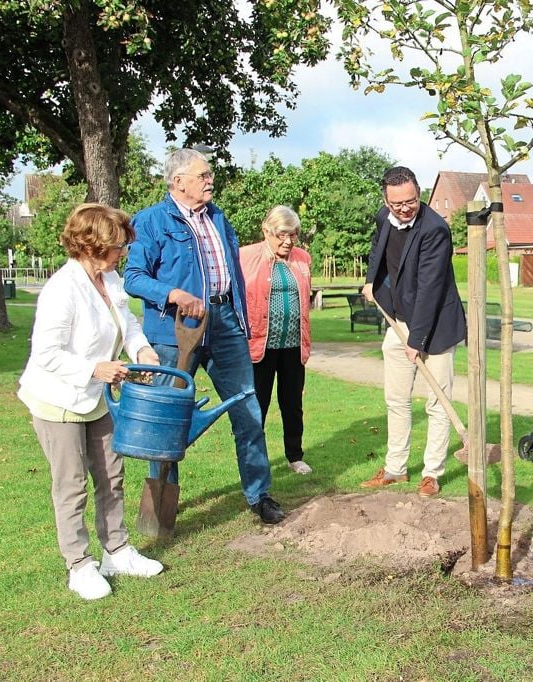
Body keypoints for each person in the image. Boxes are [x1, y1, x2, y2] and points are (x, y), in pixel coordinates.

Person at [124, 148, 285, 525]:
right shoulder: (150, 221)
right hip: (174, 329)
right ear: (178, 182)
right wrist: (173, 294)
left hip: (224, 322)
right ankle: (164, 503)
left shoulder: (217, 217)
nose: (210, 180)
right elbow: (134, 278)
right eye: (203, 175)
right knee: (168, 418)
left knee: (248, 411)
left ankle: (259, 495)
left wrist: (238, 315)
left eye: (209, 174)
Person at [18, 204, 164, 600]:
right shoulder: (62, 289)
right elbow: (46, 354)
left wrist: (143, 351)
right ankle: (79, 565)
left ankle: (116, 551)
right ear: (92, 244)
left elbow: (127, 323)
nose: (123, 254)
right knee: (71, 485)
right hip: (58, 400)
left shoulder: (110, 278)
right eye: (117, 246)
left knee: (112, 475)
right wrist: (95, 369)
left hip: (96, 400)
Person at [359, 166, 467, 497]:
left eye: (411, 201)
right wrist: (369, 281)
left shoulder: (435, 230)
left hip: (435, 325)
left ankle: (432, 473)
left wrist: (416, 340)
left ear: (418, 192)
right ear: (386, 200)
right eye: (397, 204)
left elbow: (430, 289)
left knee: (437, 401)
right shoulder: (384, 217)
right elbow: (378, 248)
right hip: (399, 317)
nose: (405, 208)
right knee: (396, 398)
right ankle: (395, 469)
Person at [240, 206, 313, 475]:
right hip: (259, 347)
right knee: (257, 404)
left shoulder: (303, 258)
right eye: (282, 235)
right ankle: (255, 460)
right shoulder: (245, 257)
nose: (288, 241)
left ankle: (295, 455)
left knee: (292, 404)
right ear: (266, 231)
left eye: (293, 235)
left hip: (293, 345)